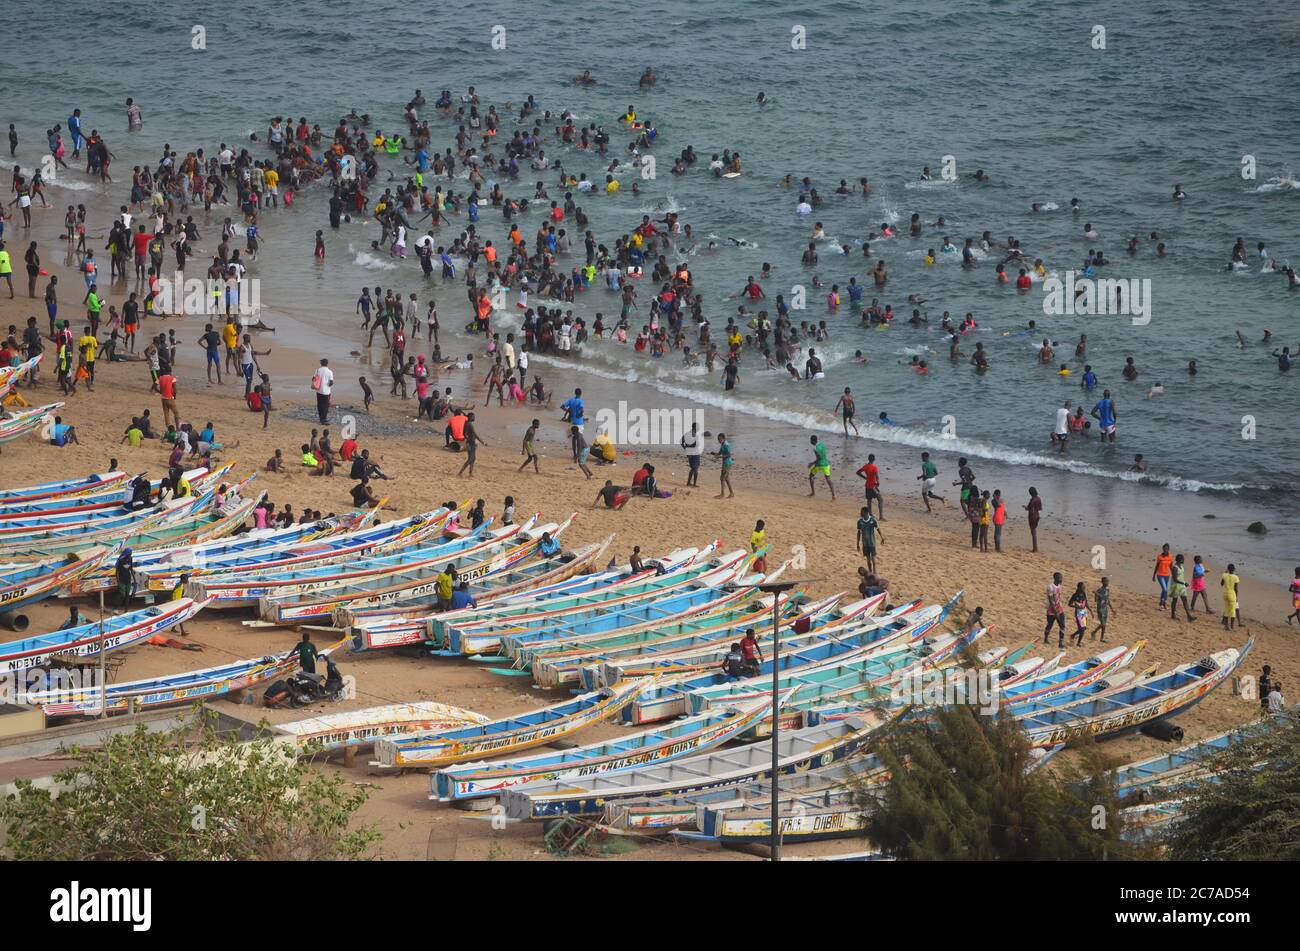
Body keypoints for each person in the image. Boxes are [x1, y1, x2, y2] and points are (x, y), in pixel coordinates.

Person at [856, 506, 883, 573]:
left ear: (866, 513)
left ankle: (875, 571)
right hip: (865, 543)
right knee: (868, 559)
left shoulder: (873, 520)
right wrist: (857, 544)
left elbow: (878, 529)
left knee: (873, 559)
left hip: (872, 543)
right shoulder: (859, 521)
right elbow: (859, 532)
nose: (860, 513)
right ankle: (870, 571)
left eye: (861, 512)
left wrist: (882, 537)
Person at [856, 453, 883, 519]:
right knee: (880, 500)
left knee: (869, 500)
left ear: (868, 459)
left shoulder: (866, 466)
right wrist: (878, 483)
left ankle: (870, 514)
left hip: (867, 485)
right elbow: (877, 476)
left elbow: (858, 472)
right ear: (874, 459)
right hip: (873, 486)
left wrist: (865, 477)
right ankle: (881, 516)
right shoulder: (874, 467)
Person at [1169, 554, 1196, 621]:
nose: (1184, 560)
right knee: (1174, 601)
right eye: (1183, 559)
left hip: (1181, 586)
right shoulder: (1175, 568)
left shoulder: (1181, 566)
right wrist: (1184, 583)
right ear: (1180, 560)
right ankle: (1173, 614)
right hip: (1176, 586)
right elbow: (1175, 579)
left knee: (1185, 601)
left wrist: (1183, 583)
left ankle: (1189, 616)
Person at [1044, 571, 1066, 649]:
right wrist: (1055, 611)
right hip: (1051, 609)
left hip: (1059, 608)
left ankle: (1061, 642)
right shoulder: (1050, 587)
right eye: (1059, 578)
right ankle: (1046, 639)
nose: (1061, 579)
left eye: (1061, 577)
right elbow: (1051, 600)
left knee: (1062, 625)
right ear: (1055, 578)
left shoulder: (1059, 586)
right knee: (1050, 625)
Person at [312, 358, 334, 425]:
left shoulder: (318, 370)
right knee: (325, 405)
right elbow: (331, 382)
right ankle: (324, 419)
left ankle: (321, 418)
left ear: (321, 363)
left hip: (318, 390)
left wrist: (318, 380)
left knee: (319, 404)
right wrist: (327, 385)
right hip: (326, 392)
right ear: (327, 364)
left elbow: (313, 379)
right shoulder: (330, 372)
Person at [713, 432, 734, 499]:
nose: (718, 440)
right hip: (725, 463)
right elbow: (720, 453)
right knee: (726, 479)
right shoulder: (722, 444)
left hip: (727, 464)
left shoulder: (726, 445)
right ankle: (731, 493)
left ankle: (722, 494)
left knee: (722, 478)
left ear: (723, 438)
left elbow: (729, 455)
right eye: (718, 439)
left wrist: (719, 457)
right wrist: (715, 454)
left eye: (719, 439)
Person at [681, 422, 702, 487]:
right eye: (698, 427)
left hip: (691, 454)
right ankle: (694, 484)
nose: (699, 428)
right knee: (695, 469)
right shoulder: (695, 435)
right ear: (695, 428)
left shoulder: (687, 434)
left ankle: (689, 483)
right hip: (695, 454)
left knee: (693, 468)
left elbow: (681, 442)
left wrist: (686, 449)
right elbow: (696, 445)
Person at [1152, 543, 1173, 608]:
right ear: (1163, 549)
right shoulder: (1159, 557)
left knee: (1164, 590)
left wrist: (1174, 575)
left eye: (1166, 549)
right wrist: (1153, 575)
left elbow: (1171, 566)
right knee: (1165, 589)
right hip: (1160, 575)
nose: (1165, 550)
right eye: (1164, 549)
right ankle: (1164, 602)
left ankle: (1162, 603)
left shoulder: (1170, 556)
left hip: (1167, 575)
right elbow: (1157, 566)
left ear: (1168, 549)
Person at [1221, 563, 1241, 630]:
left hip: (1225, 594)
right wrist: (1236, 597)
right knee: (1233, 612)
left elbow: (1221, 584)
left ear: (1228, 569)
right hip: (1232, 594)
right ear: (1234, 569)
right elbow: (1236, 589)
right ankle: (1232, 626)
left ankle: (1226, 626)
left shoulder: (1224, 575)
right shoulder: (1236, 577)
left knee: (1226, 610)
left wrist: (1225, 573)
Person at [1094, 577, 1115, 642]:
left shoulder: (1107, 590)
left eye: (1108, 581)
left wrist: (1112, 609)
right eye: (1106, 581)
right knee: (1103, 624)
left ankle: (1099, 636)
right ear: (1102, 582)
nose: (1107, 583)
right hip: (1100, 609)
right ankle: (1096, 634)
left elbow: (1107, 600)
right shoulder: (1099, 590)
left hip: (1105, 609)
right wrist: (1096, 595)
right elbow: (1095, 600)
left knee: (1104, 624)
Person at [1024, 487, 1042, 552]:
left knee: (1033, 532)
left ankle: (1035, 548)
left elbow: (1029, 508)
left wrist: (1025, 508)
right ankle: (1035, 547)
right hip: (1037, 516)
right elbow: (1040, 508)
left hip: (1032, 516)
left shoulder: (1032, 500)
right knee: (1034, 531)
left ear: (1030, 493)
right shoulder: (1039, 499)